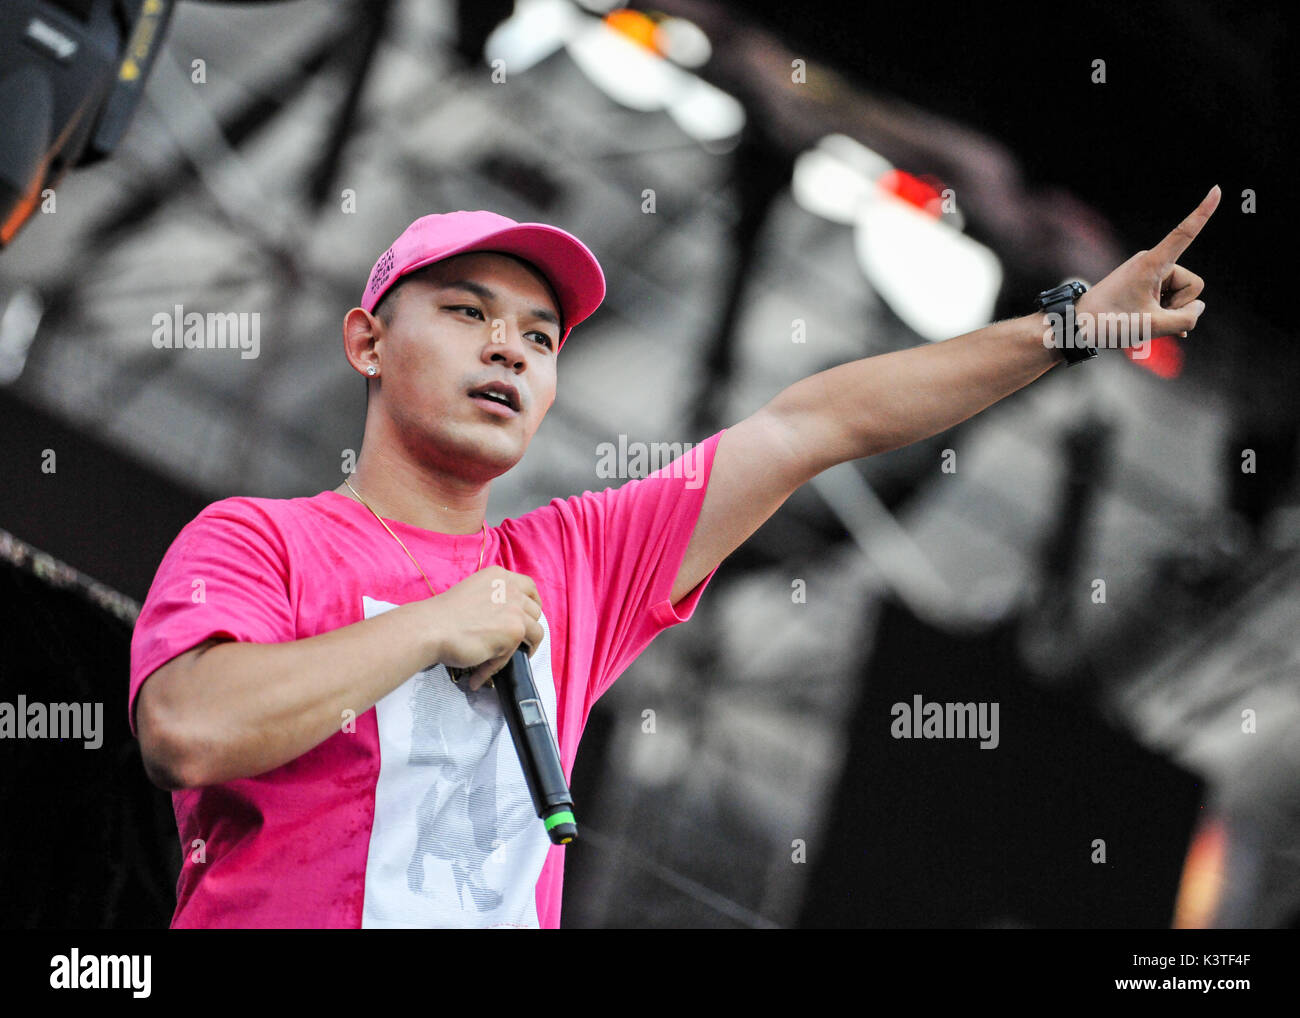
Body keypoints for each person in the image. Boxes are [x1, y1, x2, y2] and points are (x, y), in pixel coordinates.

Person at [129, 192, 1219, 928]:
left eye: (541, 336)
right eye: (467, 313)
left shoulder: (574, 564)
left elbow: (814, 426)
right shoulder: (257, 540)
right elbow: (186, 728)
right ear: (367, 340)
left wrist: (1067, 329)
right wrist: (430, 626)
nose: (509, 346)